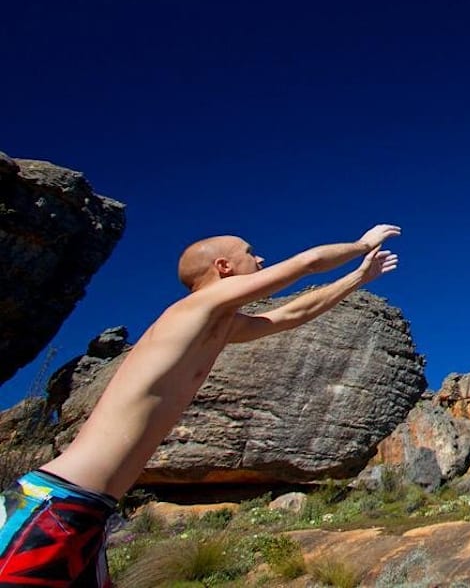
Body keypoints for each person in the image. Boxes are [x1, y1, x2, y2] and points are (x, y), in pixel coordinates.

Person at [0, 223, 402, 587]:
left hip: (90, 514)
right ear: (224, 267)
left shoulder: (218, 324)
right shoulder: (195, 308)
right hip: (52, 504)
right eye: (251, 251)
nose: (260, 258)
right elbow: (306, 263)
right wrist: (361, 245)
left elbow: (293, 312)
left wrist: (357, 278)